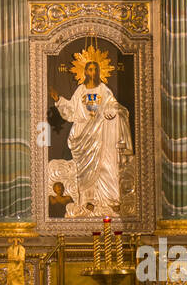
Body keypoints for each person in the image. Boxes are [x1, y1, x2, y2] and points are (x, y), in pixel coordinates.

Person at [51, 60, 132, 214]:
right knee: (84, 171)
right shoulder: (80, 90)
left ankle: (110, 199)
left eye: (95, 69)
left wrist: (111, 110)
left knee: (106, 166)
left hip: (102, 133)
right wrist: (58, 100)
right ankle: (88, 200)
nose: (92, 72)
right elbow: (70, 110)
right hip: (83, 135)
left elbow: (114, 105)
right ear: (85, 72)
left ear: (99, 71)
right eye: (89, 69)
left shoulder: (104, 90)